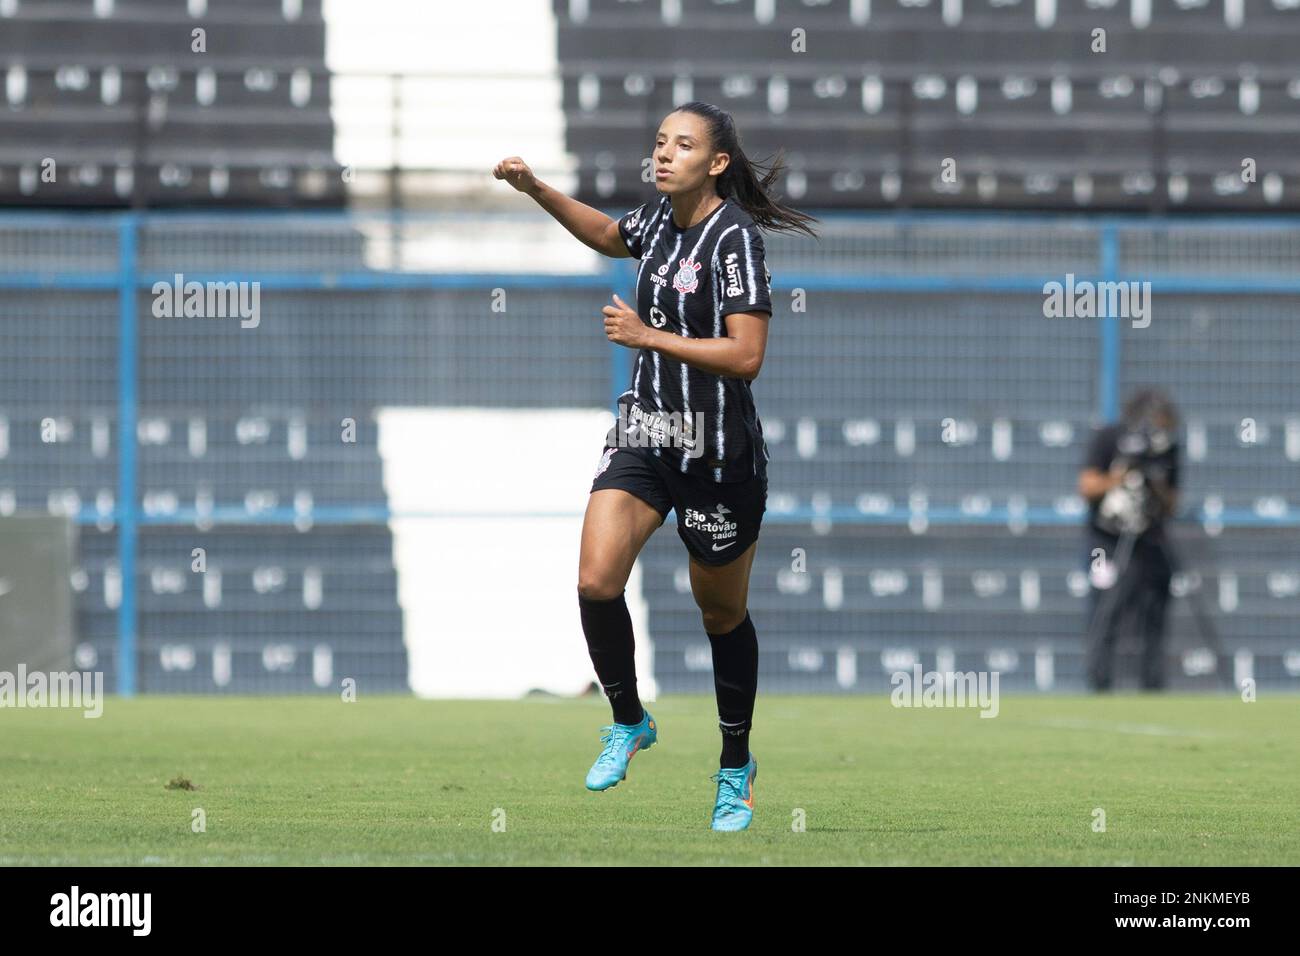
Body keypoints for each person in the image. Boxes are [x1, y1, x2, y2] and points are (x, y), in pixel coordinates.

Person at [494, 101, 818, 830]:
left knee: (721, 612)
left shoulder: (733, 240)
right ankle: (628, 719)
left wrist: (647, 334)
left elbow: (747, 356)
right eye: (661, 141)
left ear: (718, 162)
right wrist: (538, 190)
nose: (665, 153)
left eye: (684, 144)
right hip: (645, 433)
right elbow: (610, 234)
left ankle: (735, 767)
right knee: (595, 578)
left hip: (717, 455)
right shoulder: (653, 223)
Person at [1076, 387, 1181, 691]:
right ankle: (1099, 682)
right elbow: (1087, 486)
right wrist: (1122, 475)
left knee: (1153, 616)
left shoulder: (1167, 448)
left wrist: (1155, 479)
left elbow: (1172, 503)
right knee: (1106, 610)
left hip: (1151, 540)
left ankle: (1152, 685)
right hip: (1107, 541)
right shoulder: (1109, 437)